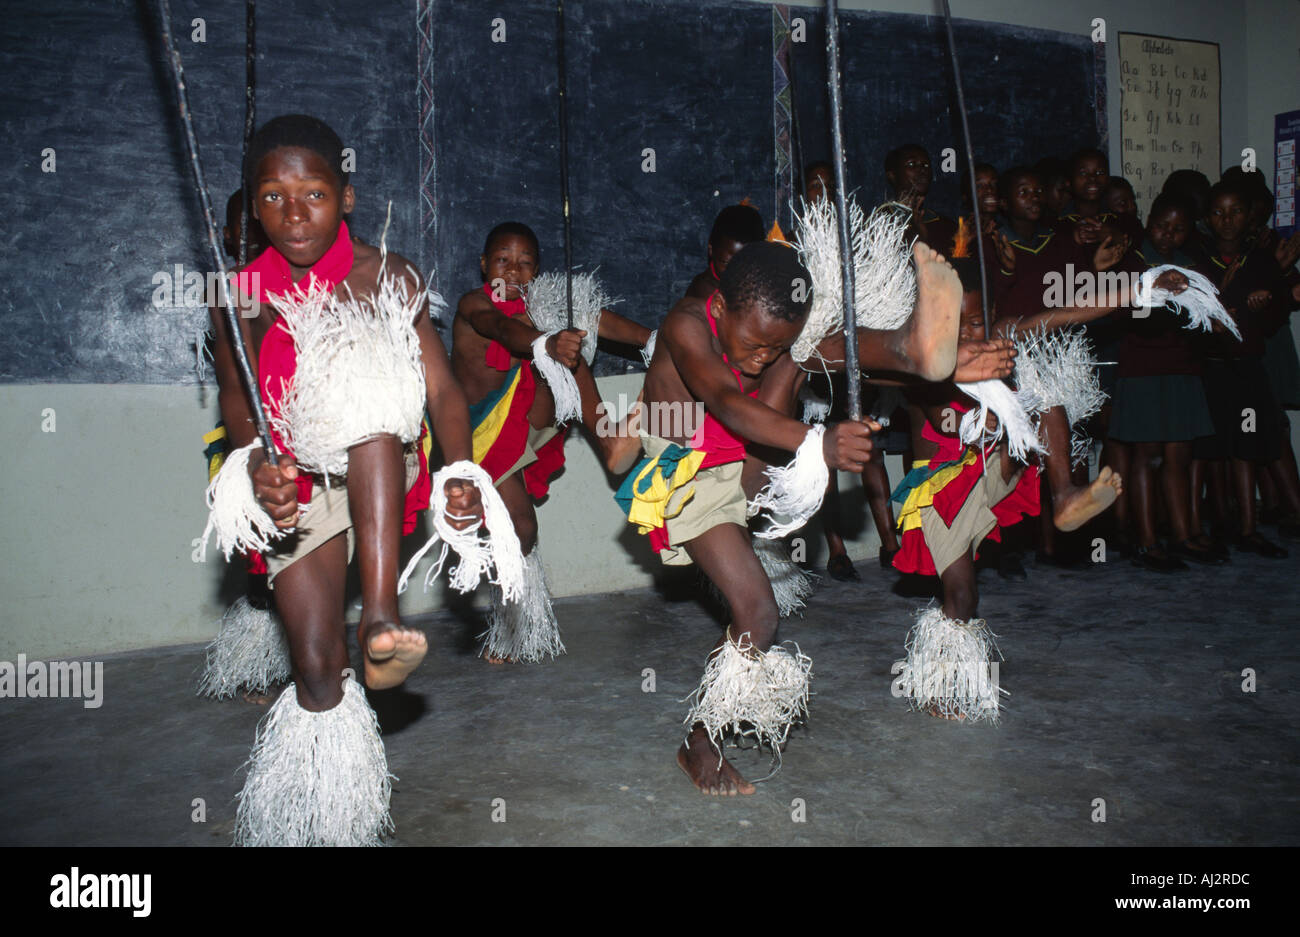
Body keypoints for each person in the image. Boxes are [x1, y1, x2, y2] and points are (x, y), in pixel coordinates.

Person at [620, 235, 1010, 795]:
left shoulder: (775, 341)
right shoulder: (686, 324)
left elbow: (798, 357)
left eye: (769, 348)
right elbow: (728, 403)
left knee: (808, 352)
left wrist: (945, 371)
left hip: (751, 454)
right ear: (722, 306)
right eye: (753, 343)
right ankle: (698, 743)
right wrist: (818, 442)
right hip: (692, 467)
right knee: (758, 611)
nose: (761, 356)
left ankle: (914, 347)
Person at [206, 114, 484, 844]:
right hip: (294, 479)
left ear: (347, 197)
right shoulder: (238, 295)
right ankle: (324, 813)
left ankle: (383, 615)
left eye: (314, 194)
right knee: (316, 668)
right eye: (272, 197)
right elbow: (238, 403)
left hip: (379, 459)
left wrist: (461, 470)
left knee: (366, 400)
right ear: (252, 203)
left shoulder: (388, 276)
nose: (293, 215)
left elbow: (444, 390)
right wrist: (256, 460)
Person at [452, 221, 649, 661]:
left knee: (573, 336)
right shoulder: (473, 306)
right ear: (485, 265)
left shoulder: (541, 304)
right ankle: (508, 626)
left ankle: (612, 442)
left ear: (536, 271)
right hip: (479, 437)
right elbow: (500, 329)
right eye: (504, 260)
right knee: (522, 529)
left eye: (525, 264)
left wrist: (651, 340)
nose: (514, 272)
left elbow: (594, 317)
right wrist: (546, 342)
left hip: (525, 425)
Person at [1106, 193, 1221, 569]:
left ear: (1188, 233)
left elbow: (1207, 322)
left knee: (1180, 457)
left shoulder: (1193, 267)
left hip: (1182, 369)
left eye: (1177, 230)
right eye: (1161, 226)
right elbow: (1126, 313)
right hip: (1141, 370)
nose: (1167, 235)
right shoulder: (1131, 260)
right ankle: (1147, 541)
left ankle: (1184, 534)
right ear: (1148, 221)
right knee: (1147, 456)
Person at [1190, 179, 1293, 557]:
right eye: (1219, 212)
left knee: (1247, 447)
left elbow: (1278, 312)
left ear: (1249, 216)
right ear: (1207, 219)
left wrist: (1266, 303)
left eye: (1235, 211)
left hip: (1248, 369)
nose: (1227, 220)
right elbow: (1185, 323)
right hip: (1211, 372)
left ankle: (1249, 528)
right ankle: (1210, 526)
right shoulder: (1198, 263)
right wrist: (1213, 316)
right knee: (1211, 448)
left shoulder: (1262, 261)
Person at [884, 143, 957, 253]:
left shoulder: (946, 225)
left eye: (926, 165)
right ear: (892, 175)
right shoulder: (881, 221)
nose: (922, 170)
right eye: (912, 164)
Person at [685, 203, 765, 299]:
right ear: (711, 250)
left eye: (745, 265)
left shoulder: (761, 285)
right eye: (726, 263)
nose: (735, 273)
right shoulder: (704, 294)